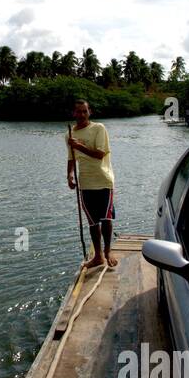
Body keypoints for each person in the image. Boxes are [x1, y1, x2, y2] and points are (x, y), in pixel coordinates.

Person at [66, 98, 116, 271]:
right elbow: (71, 158)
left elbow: (99, 154)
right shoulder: (70, 134)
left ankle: (108, 251)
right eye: (78, 111)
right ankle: (98, 256)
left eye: (84, 111)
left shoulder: (98, 128)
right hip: (85, 183)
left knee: (106, 219)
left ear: (90, 112)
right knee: (93, 223)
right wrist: (69, 175)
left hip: (103, 180)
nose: (81, 114)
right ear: (73, 113)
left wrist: (78, 145)